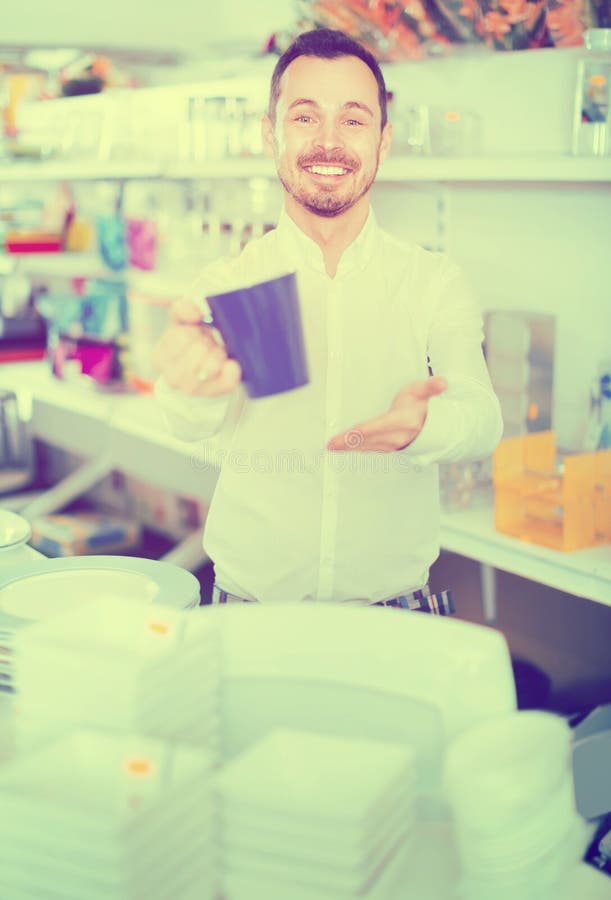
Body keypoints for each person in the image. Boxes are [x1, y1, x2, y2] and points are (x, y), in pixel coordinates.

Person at [153, 28, 503, 610]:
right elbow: (186, 422)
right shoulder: (228, 284)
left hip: (394, 617)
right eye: (306, 117)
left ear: (384, 142)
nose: (329, 142)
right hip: (251, 614)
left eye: (355, 120)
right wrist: (191, 389)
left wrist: (422, 427)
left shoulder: (432, 282)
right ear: (272, 134)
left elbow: (482, 419)